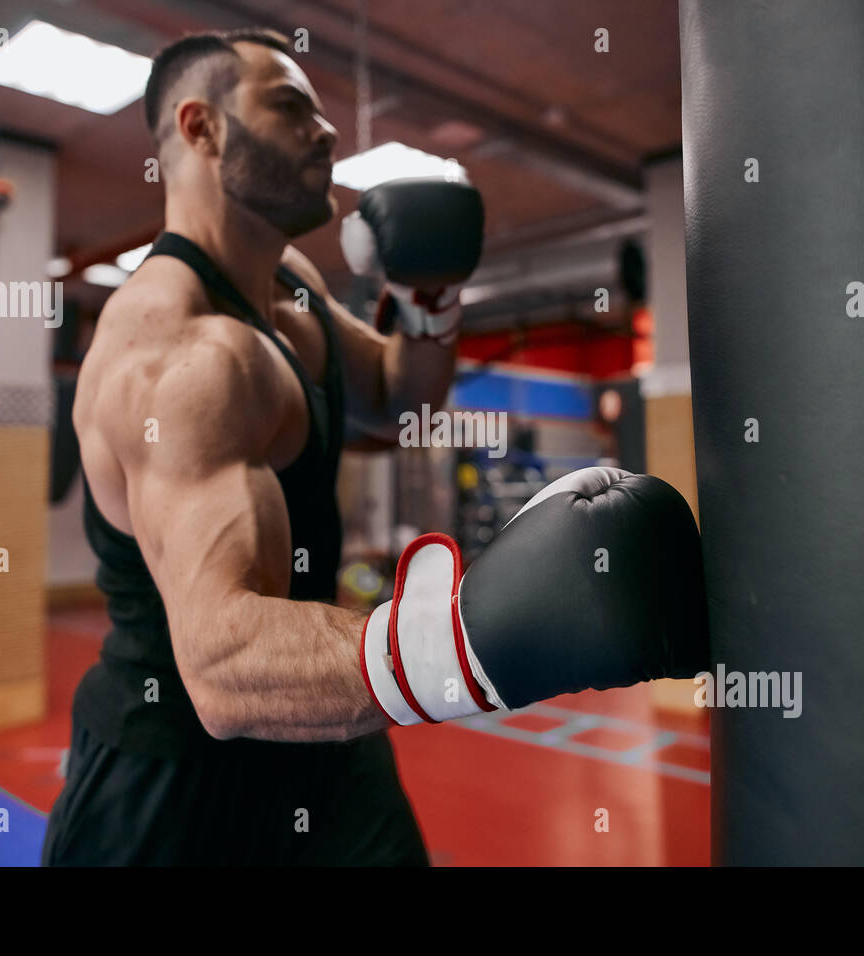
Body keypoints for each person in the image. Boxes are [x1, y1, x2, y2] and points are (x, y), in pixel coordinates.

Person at [43, 28, 707, 866]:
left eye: (322, 112)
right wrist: (462, 644)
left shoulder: (293, 287)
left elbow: (399, 400)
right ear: (200, 128)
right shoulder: (176, 354)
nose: (325, 131)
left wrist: (427, 307)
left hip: (323, 740)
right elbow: (220, 668)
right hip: (172, 778)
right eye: (288, 107)